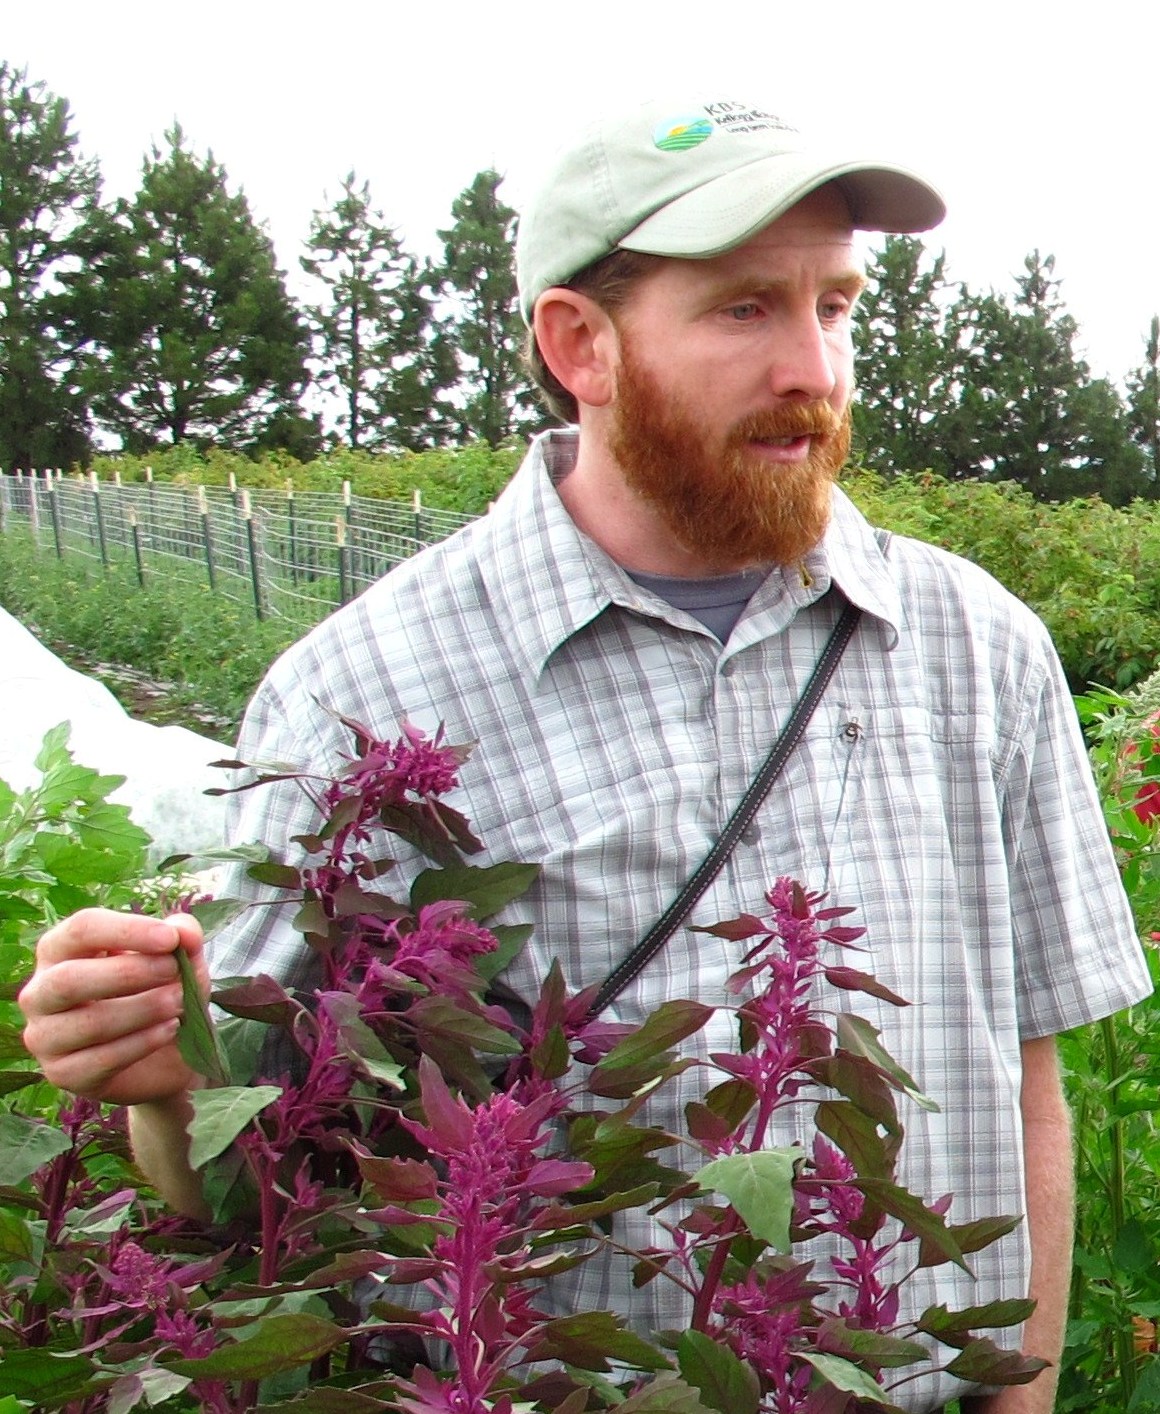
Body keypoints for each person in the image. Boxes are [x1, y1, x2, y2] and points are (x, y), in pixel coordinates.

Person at [19, 97, 1152, 1412]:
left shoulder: (981, 650)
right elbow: (252, 1175)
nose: (815, 367)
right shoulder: (363, 694)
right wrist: (163, 1085)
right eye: (744, 310)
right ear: (581, 345)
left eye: (834, 306)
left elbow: (1029, 1089)